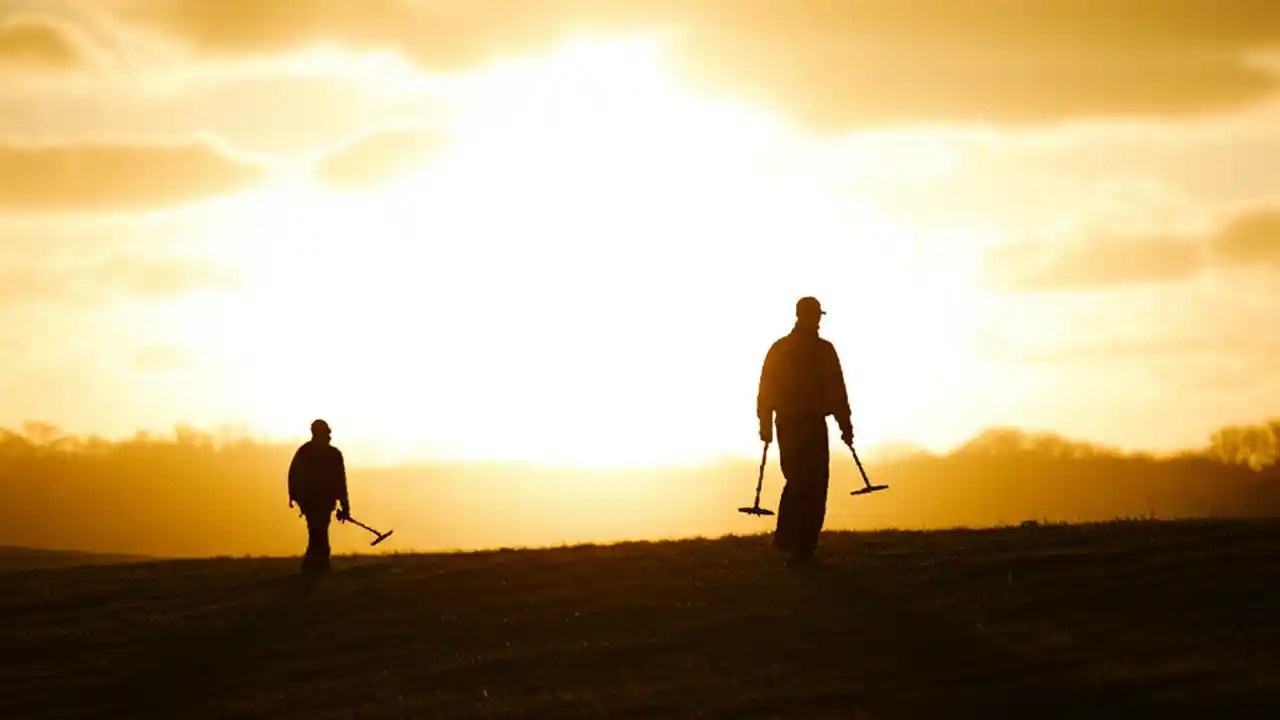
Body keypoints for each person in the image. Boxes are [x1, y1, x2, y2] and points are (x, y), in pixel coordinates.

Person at [756, 296, 853, 562]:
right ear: (813, 317)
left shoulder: (780, 348)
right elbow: (837, 390)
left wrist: (765, 424)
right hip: (810, 423)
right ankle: (804, 543)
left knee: (797, 479)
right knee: (814, 480)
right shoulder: (823, 350)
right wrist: (845, 425)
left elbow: (765, 390)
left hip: (787, 423)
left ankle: (789, 539)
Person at [288, 419, 350, 573]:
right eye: (327, 433)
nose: (329, 436)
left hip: (321, 501)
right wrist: (344, 504)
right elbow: (295, 475)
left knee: (317, 531)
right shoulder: (326, 454)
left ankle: (314, 565)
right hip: (312, 500)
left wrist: (344, 504)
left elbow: (340, 480)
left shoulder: (309, 452)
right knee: (318, 531)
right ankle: (318, 565)